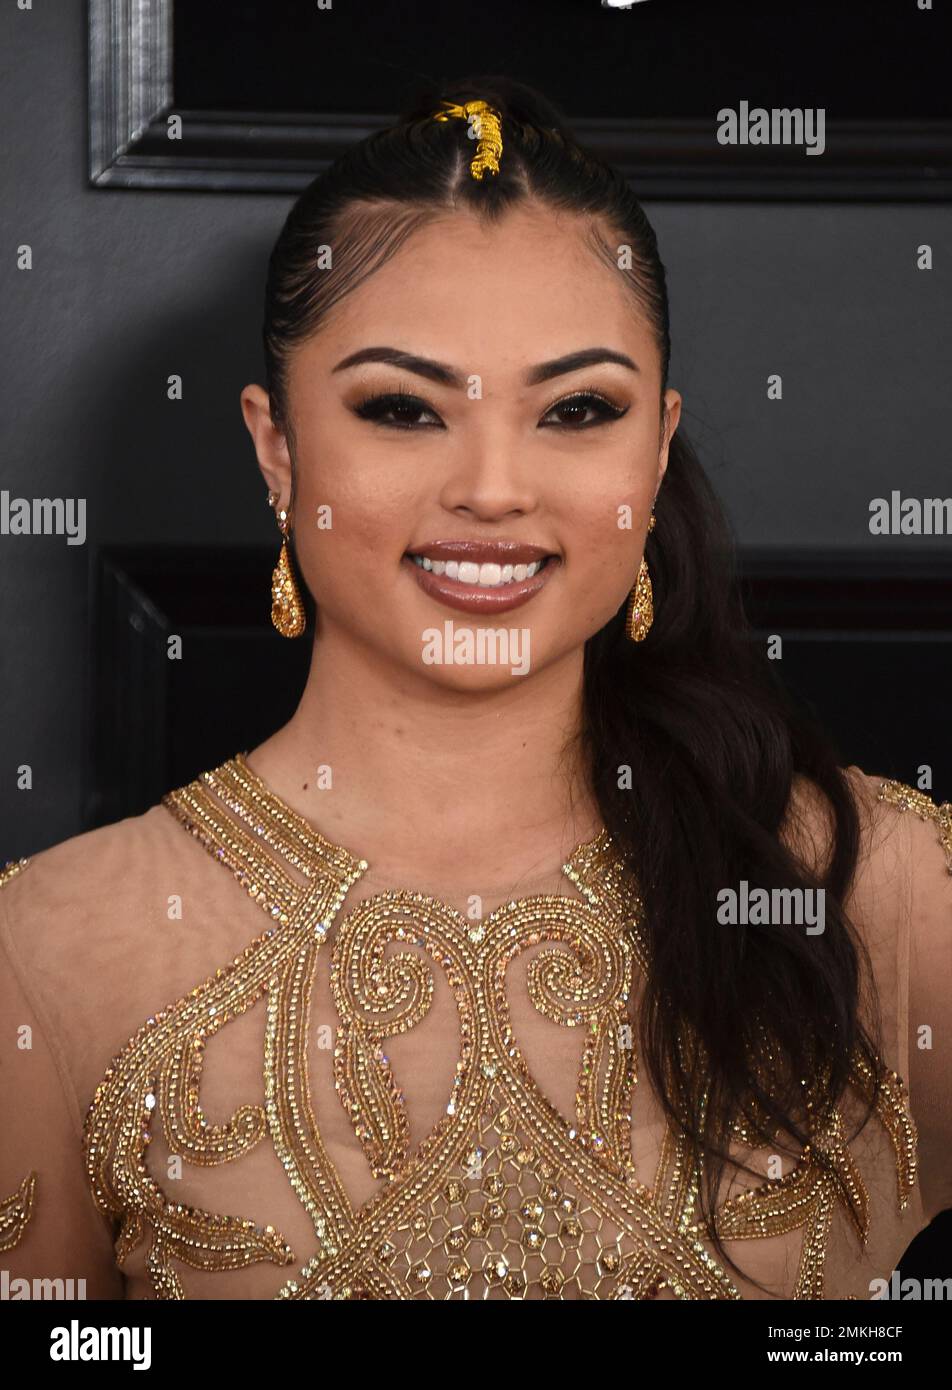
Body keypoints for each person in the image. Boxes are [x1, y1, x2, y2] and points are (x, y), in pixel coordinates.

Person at [1, 76, 949, 1302]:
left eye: (577, 410)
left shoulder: (873, 890)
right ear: (275, 448)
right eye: (403, 408)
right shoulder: (51, 953)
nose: (495, 489)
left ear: (655, 450)